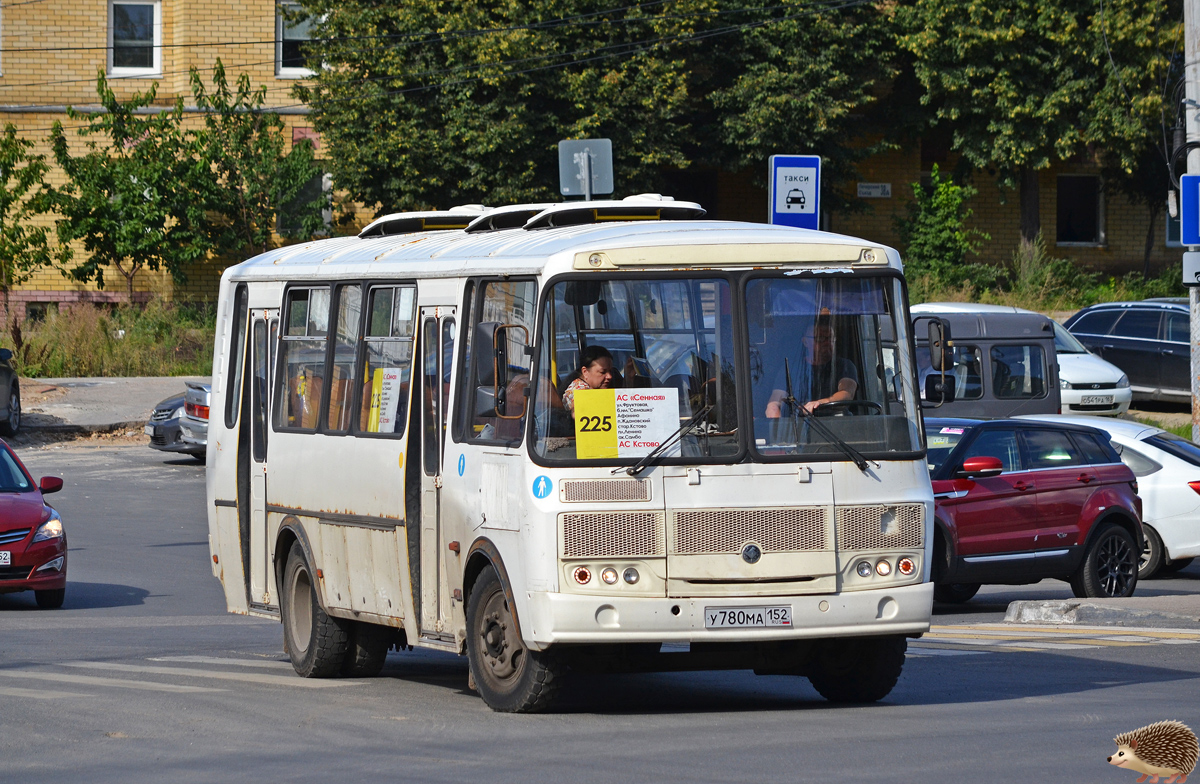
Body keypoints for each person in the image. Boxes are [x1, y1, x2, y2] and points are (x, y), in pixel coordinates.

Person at [764, 316, 858, 418]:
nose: (827, 343)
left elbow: (847, 393)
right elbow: (774, 404)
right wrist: (777, 428)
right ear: (805, 342)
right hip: (799, 429)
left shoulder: (844, 365)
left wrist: (821, 403)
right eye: (820, 338)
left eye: (830, 338)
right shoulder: (789, 369)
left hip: (836, 427)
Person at [562, 345, 616, 416]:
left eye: (610, 371)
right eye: (602, 372)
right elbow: (578, 415)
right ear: (585, 372)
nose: (609, 376)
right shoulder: (580, 390)